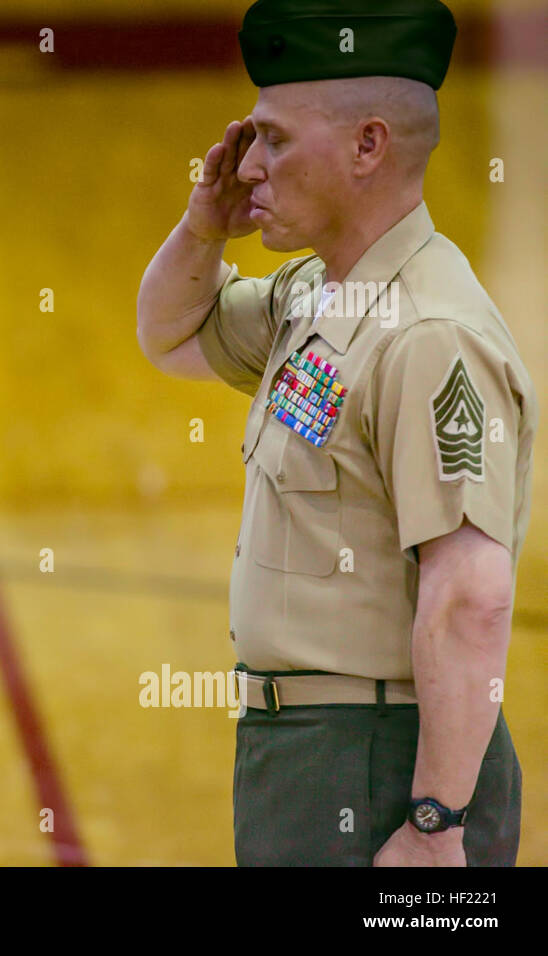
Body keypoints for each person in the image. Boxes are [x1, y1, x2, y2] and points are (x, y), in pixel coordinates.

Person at [137, 0, 533, 866]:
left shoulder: (427, 334)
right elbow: (170, 335)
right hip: (315, 755)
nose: (249, 166)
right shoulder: (319, 295)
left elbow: (472, 593)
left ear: (368, 146)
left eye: (273, 140)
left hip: (380, 764)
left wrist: (435, 825)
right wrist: (206, 226)